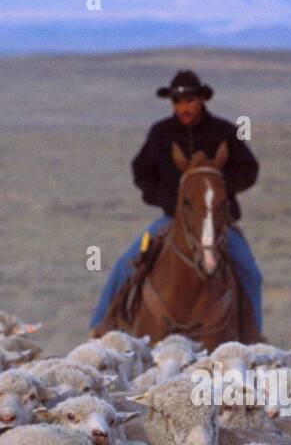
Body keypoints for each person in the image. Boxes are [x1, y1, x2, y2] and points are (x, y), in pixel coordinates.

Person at [89, 69, 263, 334]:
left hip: (219, 222)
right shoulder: (160, 133)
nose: (184, 107)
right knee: (126, 263)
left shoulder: (226, 131)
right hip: (171, 219)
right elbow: (141, 172)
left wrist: (215, 194)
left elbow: (249, 169)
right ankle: (100, 329)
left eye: (190, 101)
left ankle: (254, 337)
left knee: (250, 272)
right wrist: (165, 200)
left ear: (201, 100)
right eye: (178, 102)